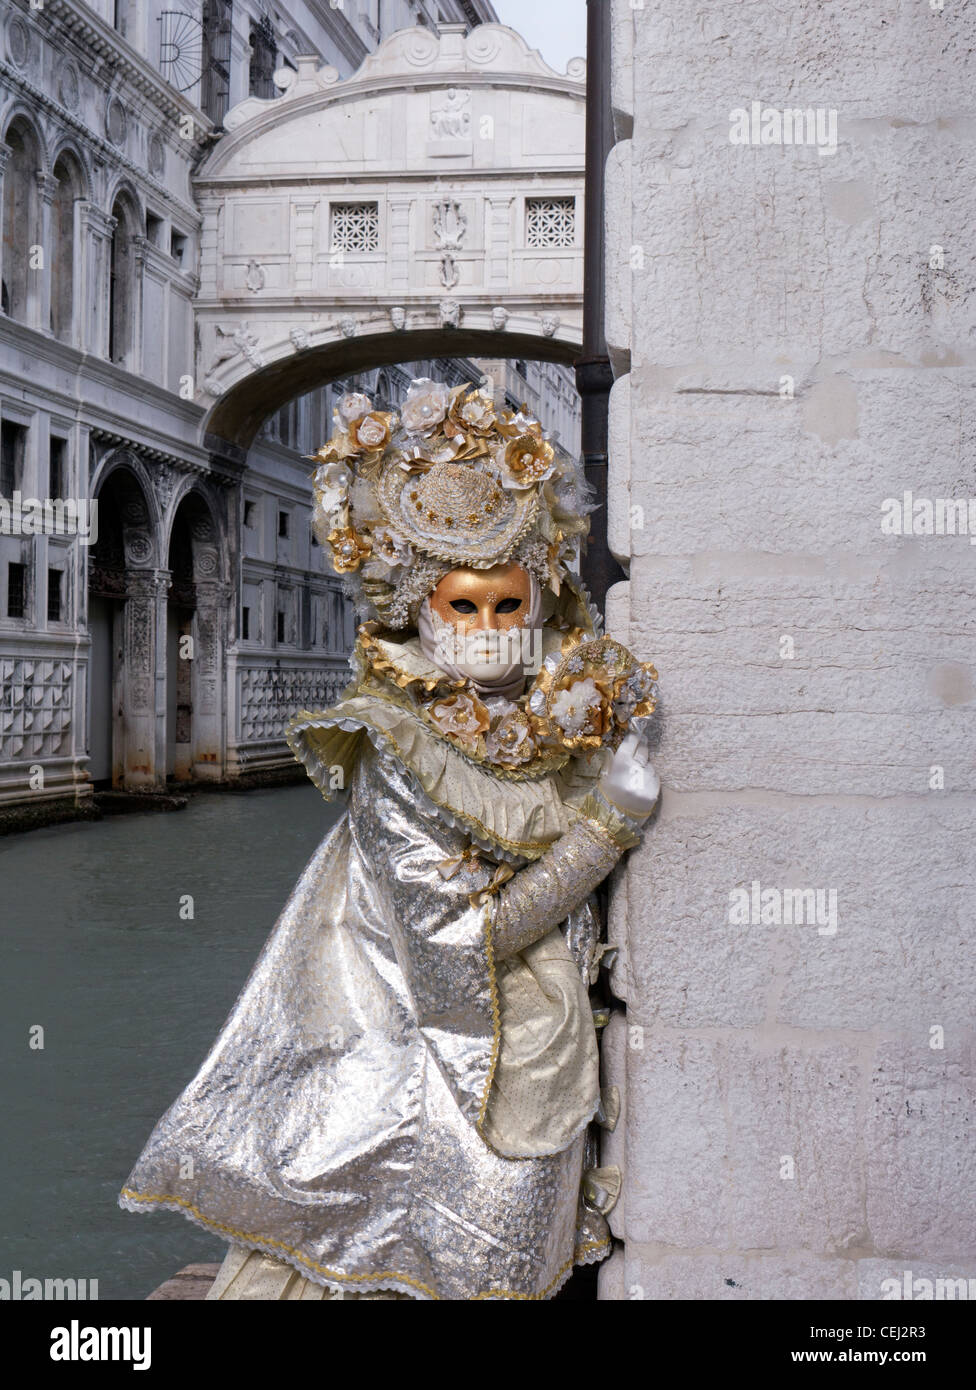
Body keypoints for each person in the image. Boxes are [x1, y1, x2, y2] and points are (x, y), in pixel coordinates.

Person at [120, 379, 660, 1300]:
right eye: (463, 607)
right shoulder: (393, 747)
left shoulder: (562, 712)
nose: (489, 633)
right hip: (436, 1067)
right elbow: (455, 956)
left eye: (506, 605)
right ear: (419, 605)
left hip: (515, 1052)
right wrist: (607, 829)